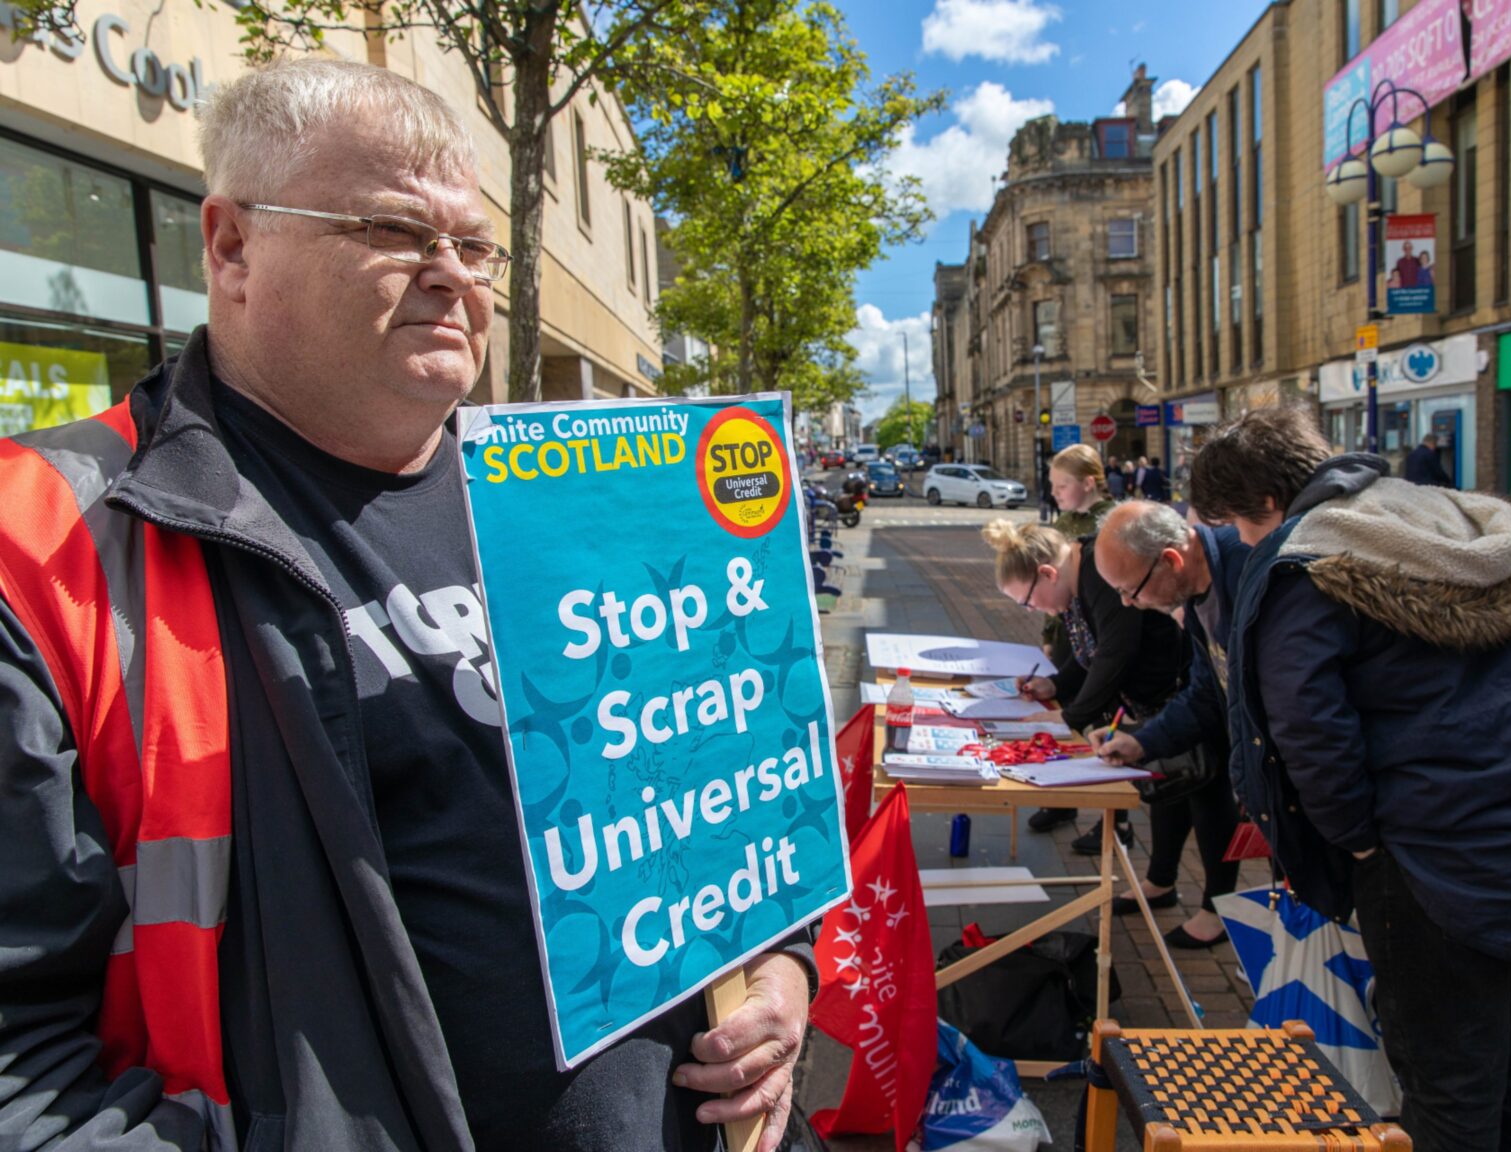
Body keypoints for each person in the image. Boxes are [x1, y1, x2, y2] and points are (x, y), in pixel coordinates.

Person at [0, 60, 812, 1152]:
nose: (450, 276)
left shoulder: (576, 499)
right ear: (232, 246)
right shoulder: (46, 547)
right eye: (391, 229)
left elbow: (717, 787)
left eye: (473, 246)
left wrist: (781, 966)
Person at [1189, 408, 1511, 1152]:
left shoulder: (1307, 556)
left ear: (1262, 503)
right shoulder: (1448, 515)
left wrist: (1355, 845)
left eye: (1237, 526)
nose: (1241, 545)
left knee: (1448, 1091)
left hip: (1435, 860)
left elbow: (1305, 725)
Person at [1090, 502, 1250, 948]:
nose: (1127, 603)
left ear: (1171, 561)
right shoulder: (1199, 594)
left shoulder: (1244, 572)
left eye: (1131, 589)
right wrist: (1140, 742)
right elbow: (1205, 691)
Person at [983, 521, 1185, 854]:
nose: (1033, 610)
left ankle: (1184, 891)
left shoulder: (1096, 572)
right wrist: (1055, 685)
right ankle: (1159, 882)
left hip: (1173, 689)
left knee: (1190, 792)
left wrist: (1070, 717)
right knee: (1169, 792)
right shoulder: (1073, 584)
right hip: (1151, 696)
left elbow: (1116, 650)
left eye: (1028, 601)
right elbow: (1090, 652)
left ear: (1048, 573)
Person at [1027, 444, 1119, 836]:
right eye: (1053, 485)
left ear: (1089, 483)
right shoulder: (1063, 523)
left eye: (1062, 485)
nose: (1056, 492)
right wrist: (1049, 636)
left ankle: (1114, 818)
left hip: (1102, 628)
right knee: (1064, 707)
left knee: (1102, 717)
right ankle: (1061, 798)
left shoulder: (1111, 522)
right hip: (1068, 630)